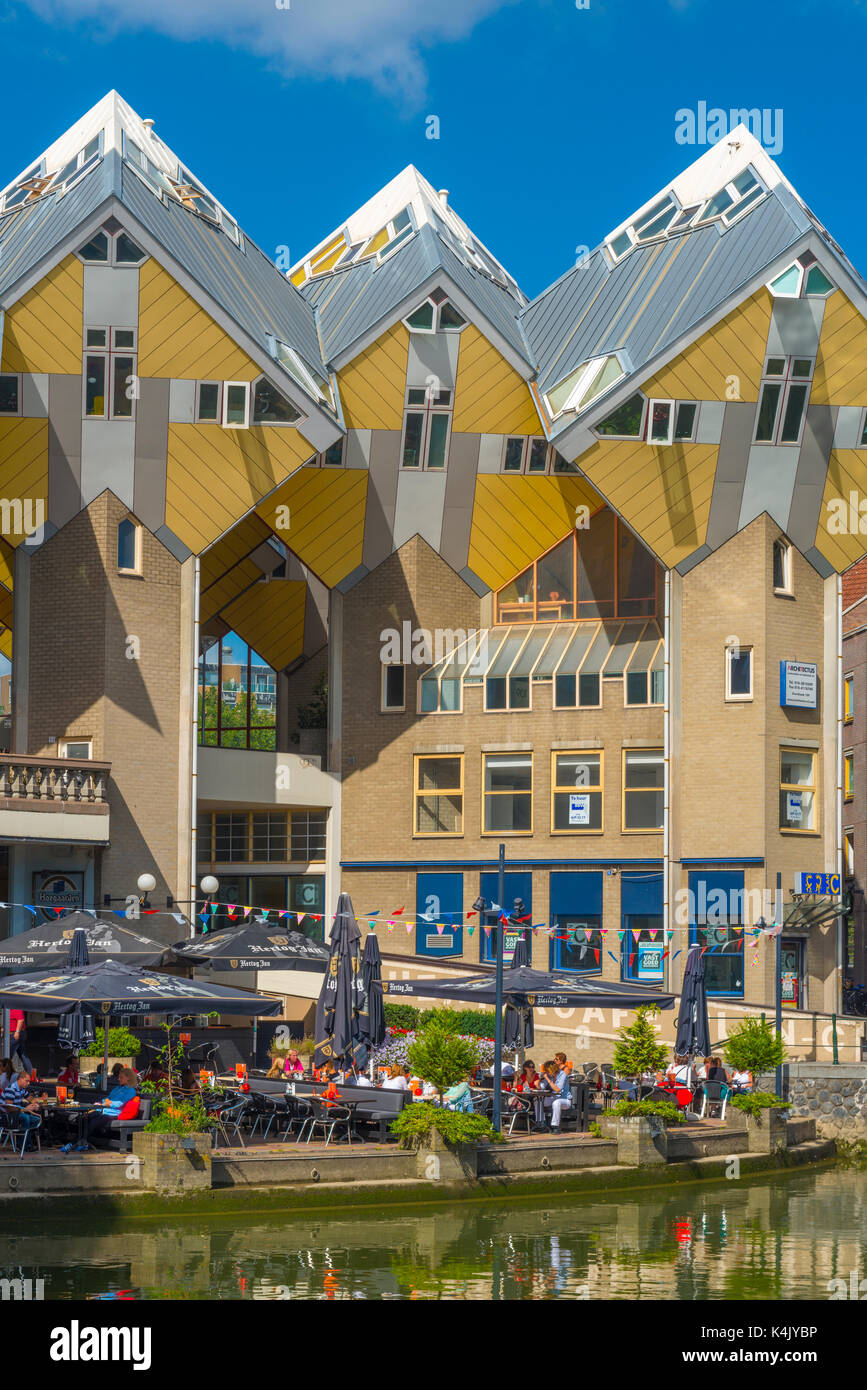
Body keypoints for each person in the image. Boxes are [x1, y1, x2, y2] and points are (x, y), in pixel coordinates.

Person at [67, 1068, 139, 1152]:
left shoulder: (131, 1091)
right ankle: (80, 1142)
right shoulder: (117, 1088)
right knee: (84, 1117)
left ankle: (77, 1142)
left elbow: (119, 1104)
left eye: (121, 1077)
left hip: (114, 1114)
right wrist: (107, 1102)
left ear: (128, 1078)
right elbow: (106, 1099)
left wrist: (109, 1103)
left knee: (95, 1121)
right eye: (119, 1077)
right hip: (104, 1110)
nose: (119, 1079)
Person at [2, 1070, 43, 1143]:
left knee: (36, 1120)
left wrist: (35, 1104)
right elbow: (9, 1108)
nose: (28, 1083)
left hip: (16, 1114)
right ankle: (24, 1144)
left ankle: (24, 1140)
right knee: (26, 1118)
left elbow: (31, 1099)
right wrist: (25, 1109)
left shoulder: (22, 1089)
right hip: (6, 1117)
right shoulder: (11, 1089)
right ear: (20, 1079)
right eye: (27, 1081)